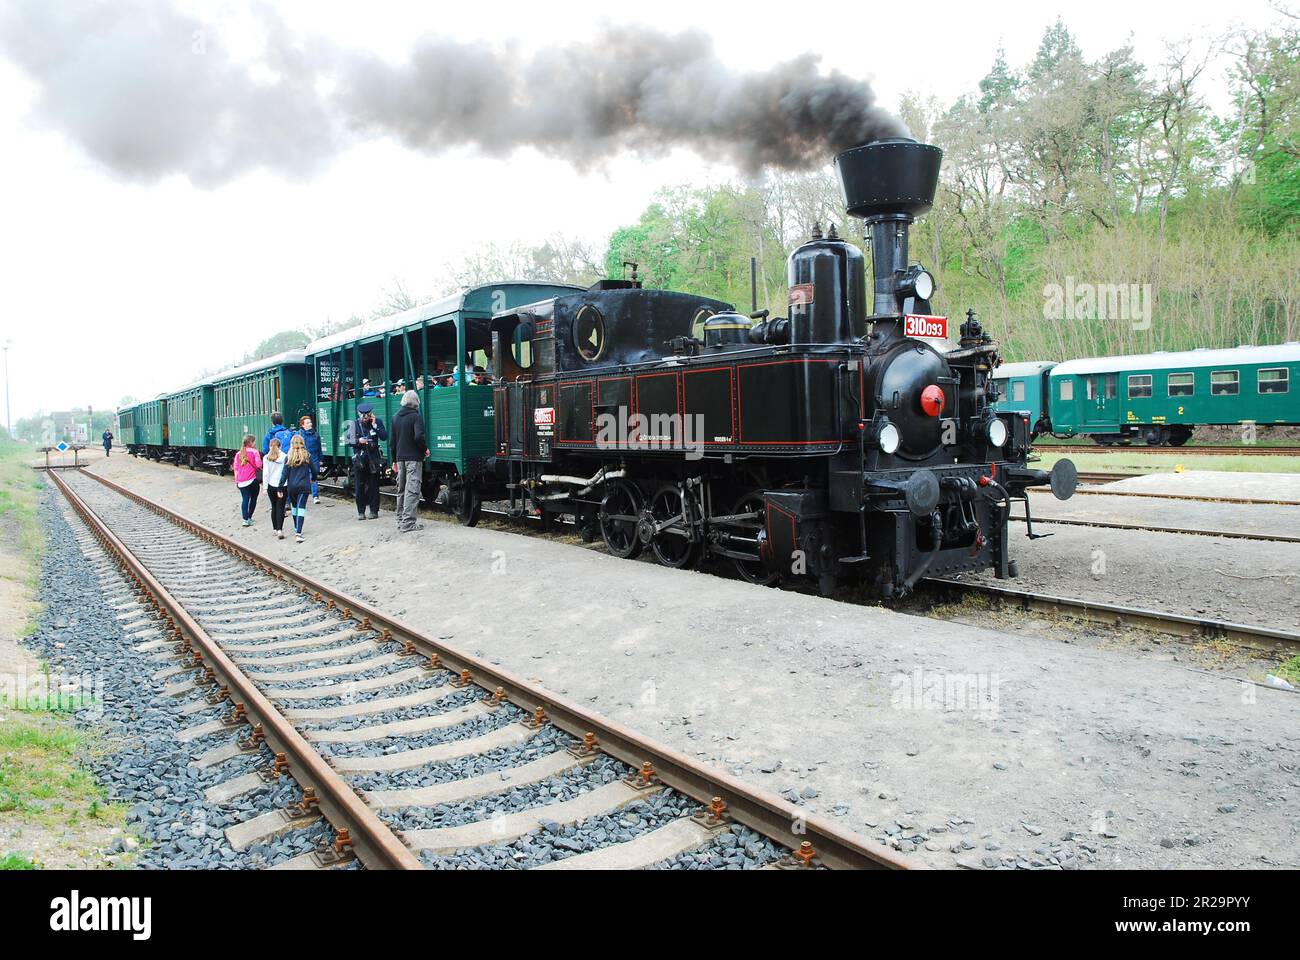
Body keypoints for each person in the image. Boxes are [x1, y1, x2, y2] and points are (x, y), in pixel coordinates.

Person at [390, 390, 428, 533]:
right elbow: (419, 437)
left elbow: (392, 443)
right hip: (413, 458)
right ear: (416, 403)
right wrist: (424, 449)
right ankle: (408, 523)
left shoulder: (395, 417)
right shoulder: (416, 417)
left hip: (400, 458)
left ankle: (400, 520)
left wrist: (394, 460)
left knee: (401, 489)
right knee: (412, 489)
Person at [346, 402, 387, 520]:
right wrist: (359, 441)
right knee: (360, 486)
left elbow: (384, 436)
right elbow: (349, 441)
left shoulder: (377, 422)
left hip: (373, 458)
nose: (365, 418)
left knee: (374, 485)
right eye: (363, 416)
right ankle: (361, 511)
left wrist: (375, 426)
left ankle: (374, 511)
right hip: (360, 459)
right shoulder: (354, 424)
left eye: (367, 415)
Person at [284, 435, 318, 543]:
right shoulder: (307, 456)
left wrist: (280, 488)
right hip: (303, 486)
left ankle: (296, 528)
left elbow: (284, 474)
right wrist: (314, 478)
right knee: (301, 508)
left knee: (295, 508)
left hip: (292, 487)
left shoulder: (288, 457)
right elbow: (314, 470)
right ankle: (298, 533)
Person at [231, 435, 262, 527]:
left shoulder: (238, 454)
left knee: (245, 499)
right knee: (253, 498)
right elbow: (259, 465)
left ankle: (244, 520)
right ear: (251, 442)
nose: (255, 443)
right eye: (254, 441)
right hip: (252, 480)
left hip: (241, 481)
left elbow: (236, 468)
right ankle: (249, 518)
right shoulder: (255, 452)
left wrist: (236, 481)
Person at [263, 437, 289, 539]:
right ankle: (279, 530)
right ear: (280, 446)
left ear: (270, 446)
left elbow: (265, 474)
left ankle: (274, 528)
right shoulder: (285, 457)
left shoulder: (266, 458)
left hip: (271, 485)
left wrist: (265, 488)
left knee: (273, 506)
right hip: (283, 485)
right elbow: (286, 473)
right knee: (280, 507)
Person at [296, 414, 323, 503]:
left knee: (313, 477)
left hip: (314, 458)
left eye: (310, 422)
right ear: (303, 425)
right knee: (303, 477)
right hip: (303, 458)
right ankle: (302, 494)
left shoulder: (316, 434)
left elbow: (319, 447)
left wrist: (320, 459)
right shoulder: (299, 434)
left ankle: (315, 496)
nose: (310, 424)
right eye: (307, 423)